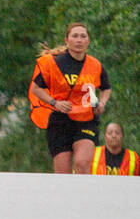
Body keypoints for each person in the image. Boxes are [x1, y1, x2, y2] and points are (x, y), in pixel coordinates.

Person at [29, 22, 110, 174]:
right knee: (62, 173)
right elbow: (36, 88)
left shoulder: (95, 65)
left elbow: (106, 88)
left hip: (86, 119)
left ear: (88, 41)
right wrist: (55, 103)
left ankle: (84, 196)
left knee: (82, 163)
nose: (79, 40)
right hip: (60, 120)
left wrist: (102, 103)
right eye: (75, 36)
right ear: (67, 40)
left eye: (83, 36)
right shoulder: (54, 63)